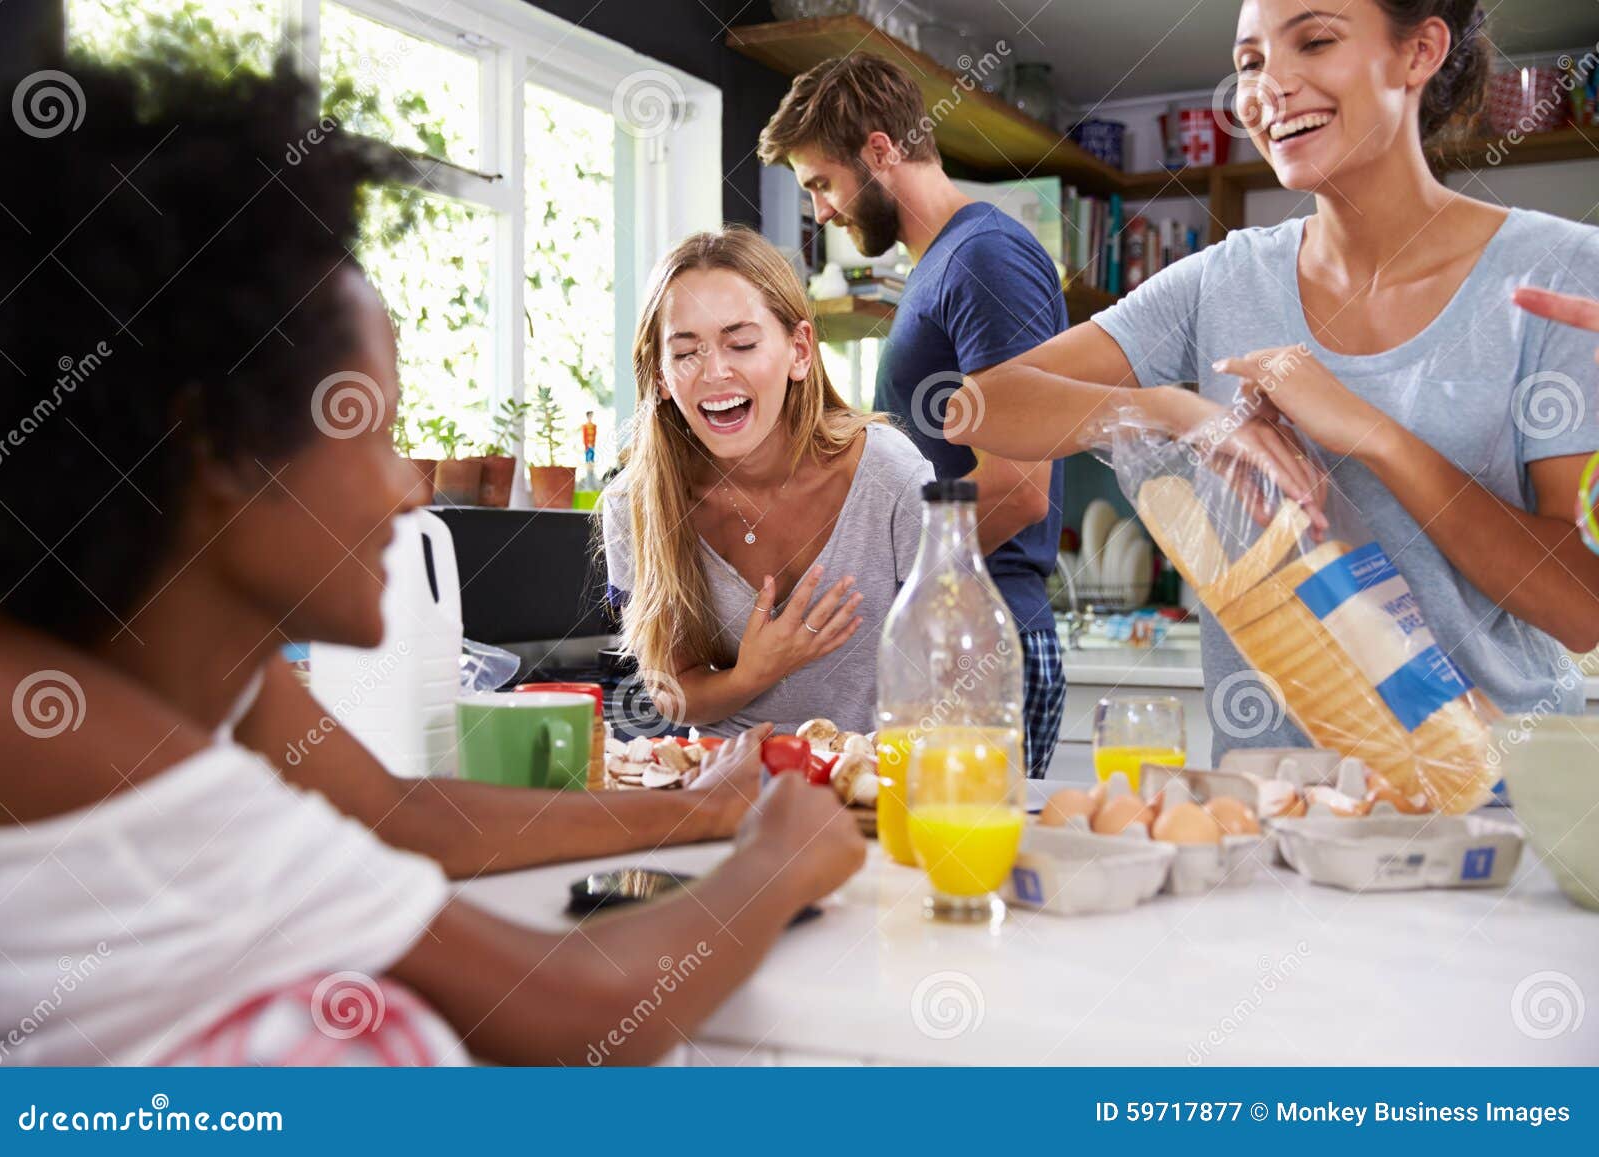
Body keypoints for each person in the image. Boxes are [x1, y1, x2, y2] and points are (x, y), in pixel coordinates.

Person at [0, 55, 864, 1065]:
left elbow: (398, 811)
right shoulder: (89, 747)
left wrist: (702, 806)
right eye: (372, 433)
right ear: (224, 446)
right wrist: (771, 862)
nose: (408, 489)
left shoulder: (172, 669)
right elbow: (568, 1008)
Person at [939, 0, 1599, 761]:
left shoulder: (1558, 273)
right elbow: (975, 406)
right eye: (1250, 62)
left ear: (1419, 53)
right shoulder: (1221, 283)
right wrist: (1178, 412)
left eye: (1314, 41)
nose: (1268, 87)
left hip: (1501, 813)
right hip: (1277, 809)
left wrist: (1371, 433)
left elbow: (1579, 608)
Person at [758, 54, 1069, 777]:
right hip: (950, 643)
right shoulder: (939, 265)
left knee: (961, 879)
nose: (821, 212)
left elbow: (1021, 486)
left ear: (878, 151)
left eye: (822, 184)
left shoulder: (985, 258)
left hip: (981, 645)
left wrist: (875, 576)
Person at [603, 228, 933, 736]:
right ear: (663, 377)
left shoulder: (891, 475)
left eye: (741, 343)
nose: (714, 372)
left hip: (869, 795)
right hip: (721, 793)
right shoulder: (635, 503)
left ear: (799, 351)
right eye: (686, 352)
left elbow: (954, 668)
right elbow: (672, 693)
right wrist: (756, 672)